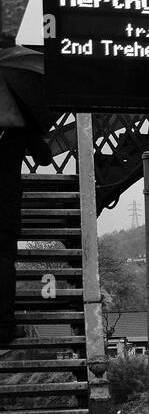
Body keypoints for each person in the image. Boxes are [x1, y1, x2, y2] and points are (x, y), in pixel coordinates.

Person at [0, 44, 56, 345]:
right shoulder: (19, 119)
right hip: (4, 203)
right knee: (4, 261)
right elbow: (45, 158)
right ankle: (4, 326)